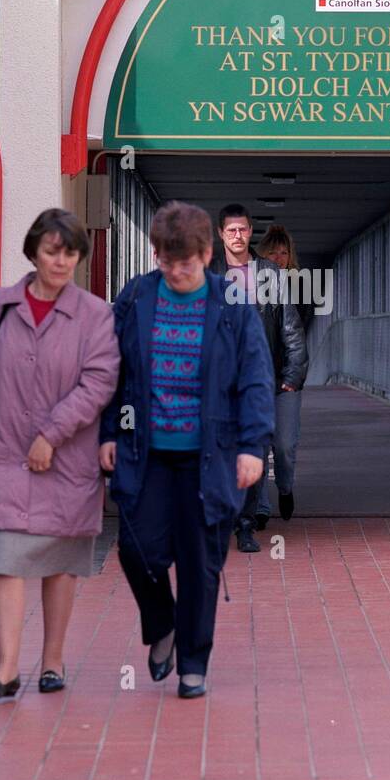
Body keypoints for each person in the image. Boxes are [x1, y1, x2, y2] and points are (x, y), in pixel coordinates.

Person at [99, 201, 274, 698]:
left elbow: (256, 381)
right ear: (156, 255)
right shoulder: (135, 299)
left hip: (210, 455)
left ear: (206, 254)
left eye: (187, 262)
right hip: (147, 452)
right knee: (135, 548)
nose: (176, 271)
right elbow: (112, 372)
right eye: (166, 261)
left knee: (201, 563)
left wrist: (252, 446)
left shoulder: (233, 307)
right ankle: (163, 627)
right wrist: (108, 433)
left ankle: (193, 661)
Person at [0, 208, 120, 701]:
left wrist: (52, 434)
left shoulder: (95, 315)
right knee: (5, 557)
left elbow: (100, 381)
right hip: (0, 455)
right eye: (53, 251)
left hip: (68, 458)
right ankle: (5, 668)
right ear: (33, 252)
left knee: (60, 557)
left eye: (71, 252)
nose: (62, 261)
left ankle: (53, 661)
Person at [209, 205, 307, 552]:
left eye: (243, 230)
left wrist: (292, 375)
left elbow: (291, 329)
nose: (238, 236)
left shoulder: (271, 275)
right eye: (231, 230)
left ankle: (246, 526)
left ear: (251, 233)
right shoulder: (207, 274)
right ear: (221, 233)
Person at [254, 224, 311, 527]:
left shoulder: (301, 289)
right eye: (272, 252)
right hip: (259, 378)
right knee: (259, 443)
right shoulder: (252, 289)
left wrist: (294, 374)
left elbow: (299, 334)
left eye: (283, 252)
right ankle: (261, 507)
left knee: (285, 445)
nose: (278, 257)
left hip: (287, 377)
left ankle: (285, 487)